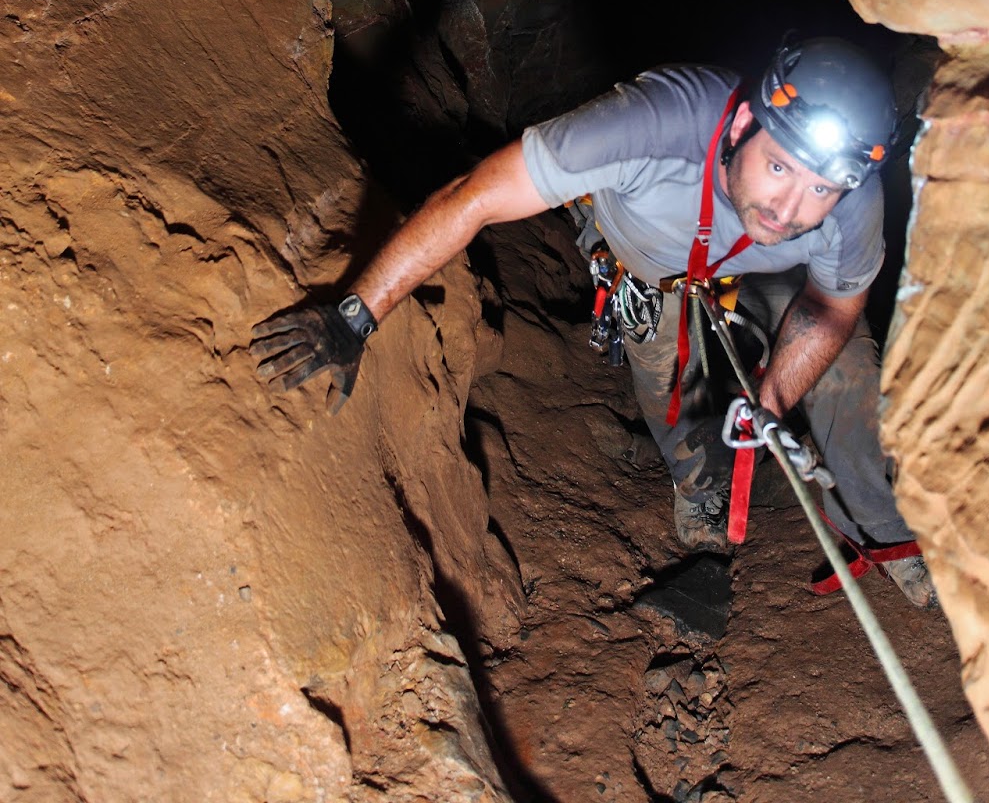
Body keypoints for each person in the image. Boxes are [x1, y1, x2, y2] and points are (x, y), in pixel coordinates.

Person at [251, 36, 935, 607]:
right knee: (663, 375)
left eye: (820, 187)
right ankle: (698, 487)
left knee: (848, 374)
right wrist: (354, 316)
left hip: (769, 277)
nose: (789, 206)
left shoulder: (849, 208)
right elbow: (476, 197)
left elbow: (834, 306)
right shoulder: (653, 124)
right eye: (780, 167)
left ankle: (885, 529)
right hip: (648, 264)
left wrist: (775, 397)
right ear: (740, 128)